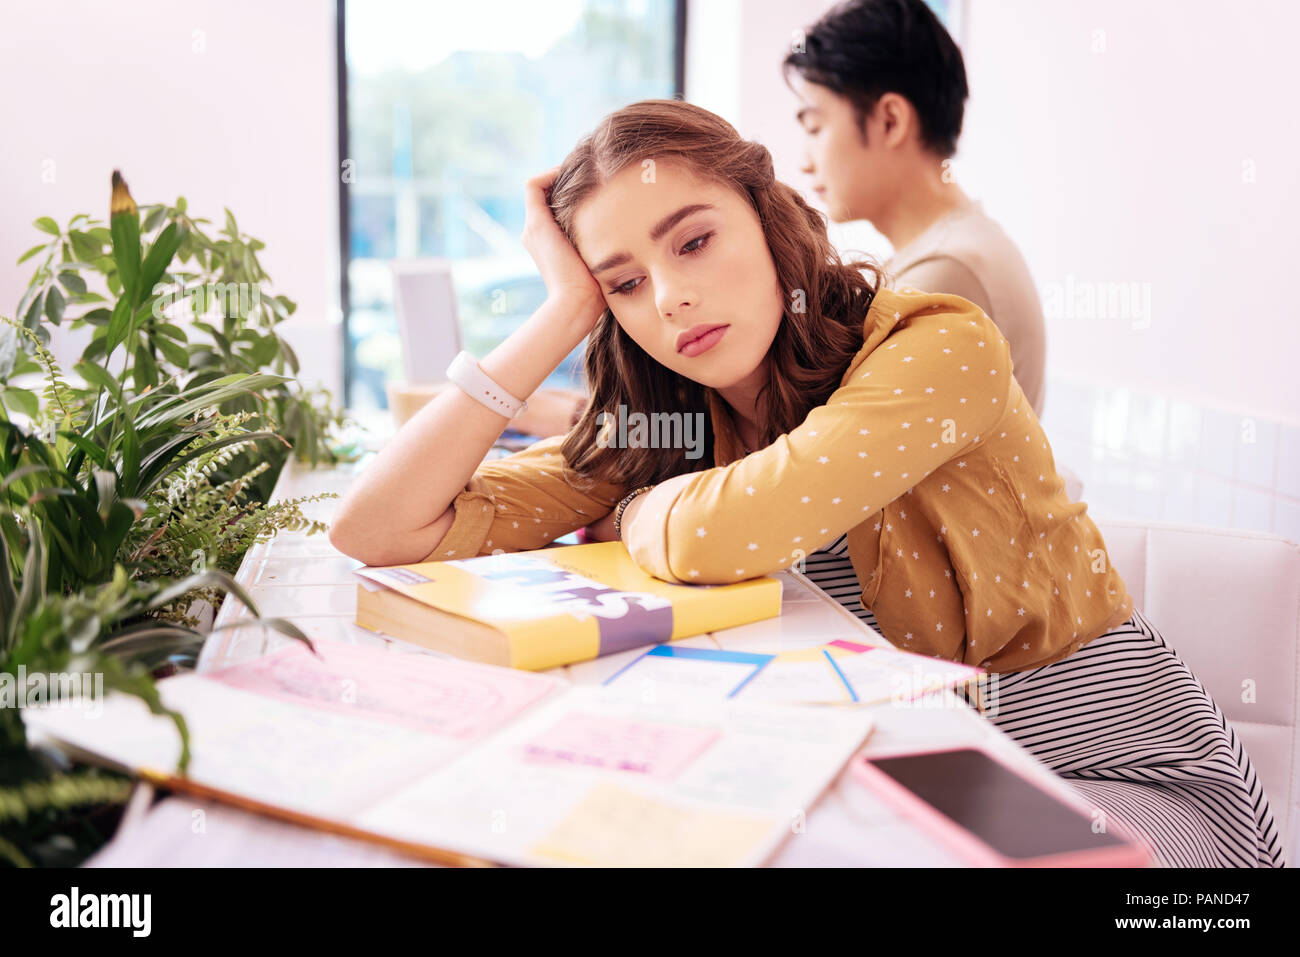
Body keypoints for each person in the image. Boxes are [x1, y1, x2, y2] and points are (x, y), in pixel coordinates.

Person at [329, 99, 1284, 868]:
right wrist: (560, 309)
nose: (670, 298)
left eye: (692, 241)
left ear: (767, 213)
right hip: (925, 765)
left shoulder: (937, 344)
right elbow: (377, 528)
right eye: (623, 282)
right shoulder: (671, 423)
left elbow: (716, 534)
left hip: (1126, 777)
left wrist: (640, 507)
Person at [784, 0, 1048, 420]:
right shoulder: (953, 251)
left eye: (815, 127)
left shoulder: (948, 272)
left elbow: (835, 455)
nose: (804, 162)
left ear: (890, 121)